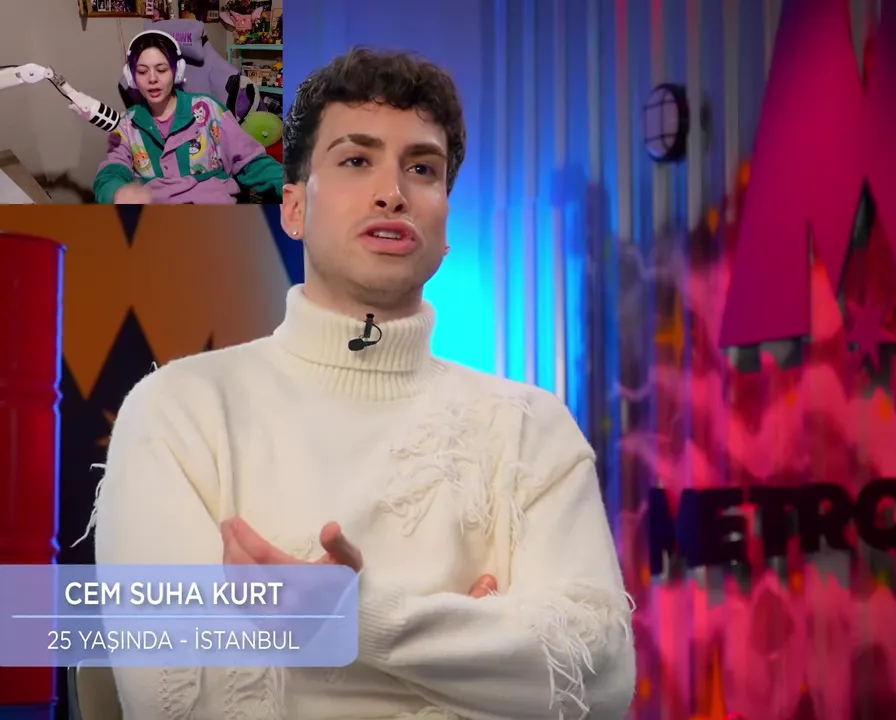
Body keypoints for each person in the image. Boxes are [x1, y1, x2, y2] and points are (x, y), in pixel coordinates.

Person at [85, 46, 636, 718]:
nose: (392, 192)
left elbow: (600, 680)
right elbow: (178, 698)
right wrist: (478, 661)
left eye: (422, 169)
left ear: (445, 221)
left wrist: (355, 618)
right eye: (355, 161)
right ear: (294, 208)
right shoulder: (179, 411)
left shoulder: (531, 427)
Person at [93, 30, 283, 204]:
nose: (152, 79)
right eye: (142, 71)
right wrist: (115, 192)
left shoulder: (208, 109)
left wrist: (288, 183)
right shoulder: (126, 124)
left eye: (161, 70)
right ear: (131, 76)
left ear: (176, 71)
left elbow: (251, 160)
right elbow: (112, 171)